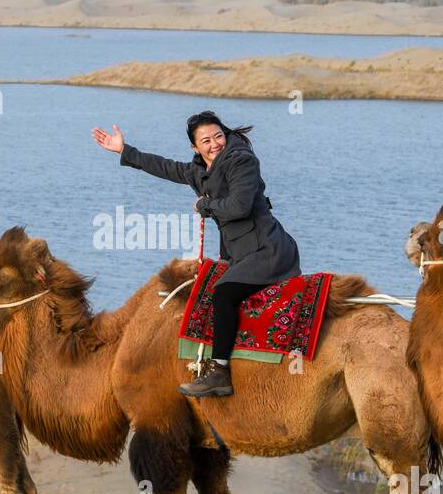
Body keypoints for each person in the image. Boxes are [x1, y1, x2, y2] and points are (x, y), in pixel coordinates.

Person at [92, 110, 300, 398]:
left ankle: (219, 371)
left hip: (266, 250)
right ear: (195, 147)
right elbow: (165, 167)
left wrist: (205, 206)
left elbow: (239, 206)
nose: (215, 143)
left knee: (223, 294)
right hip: (241, 253)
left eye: (218, 136)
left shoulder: (241, 161)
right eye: (206, 140)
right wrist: (125, 150)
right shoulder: (200, 170)